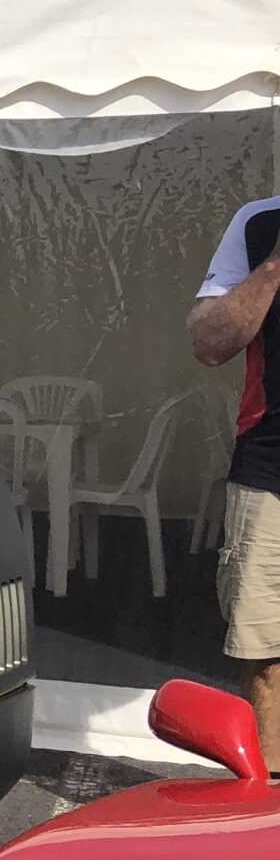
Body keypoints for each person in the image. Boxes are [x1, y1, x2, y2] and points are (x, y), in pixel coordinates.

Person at [191, 197, 280, 764]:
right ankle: (269, 816)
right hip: (271, 473)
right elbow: (209, 343)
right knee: (267, 658)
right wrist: (273, 266)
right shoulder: (260, 223)